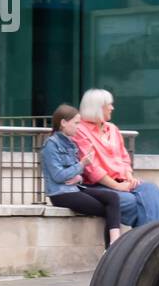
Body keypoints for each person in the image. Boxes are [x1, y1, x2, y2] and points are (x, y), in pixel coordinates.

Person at [74, 88, 159, 227]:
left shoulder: (112, 129)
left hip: (122, 181)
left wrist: (128, 176)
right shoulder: (80, 131)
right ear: (97, 108)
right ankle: (153, 239)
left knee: (151, 189)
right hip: (96, 186)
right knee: (132, 202)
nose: (112, 108)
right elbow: (92, 169)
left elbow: (124, 158)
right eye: (109, 105)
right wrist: (117, 186)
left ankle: (147, 239)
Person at [41, 104, 123, 247]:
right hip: (61, 194)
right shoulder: (51, 145)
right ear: (63, 123)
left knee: (112, 197)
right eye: (76, 123)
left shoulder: (71, 143)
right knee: (108, 211)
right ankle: (112, 249)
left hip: (75, 189)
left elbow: (77, 176)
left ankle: (115, 243)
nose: (78, 127)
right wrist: (82, 164)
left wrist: (78, 175)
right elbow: (58, 176)